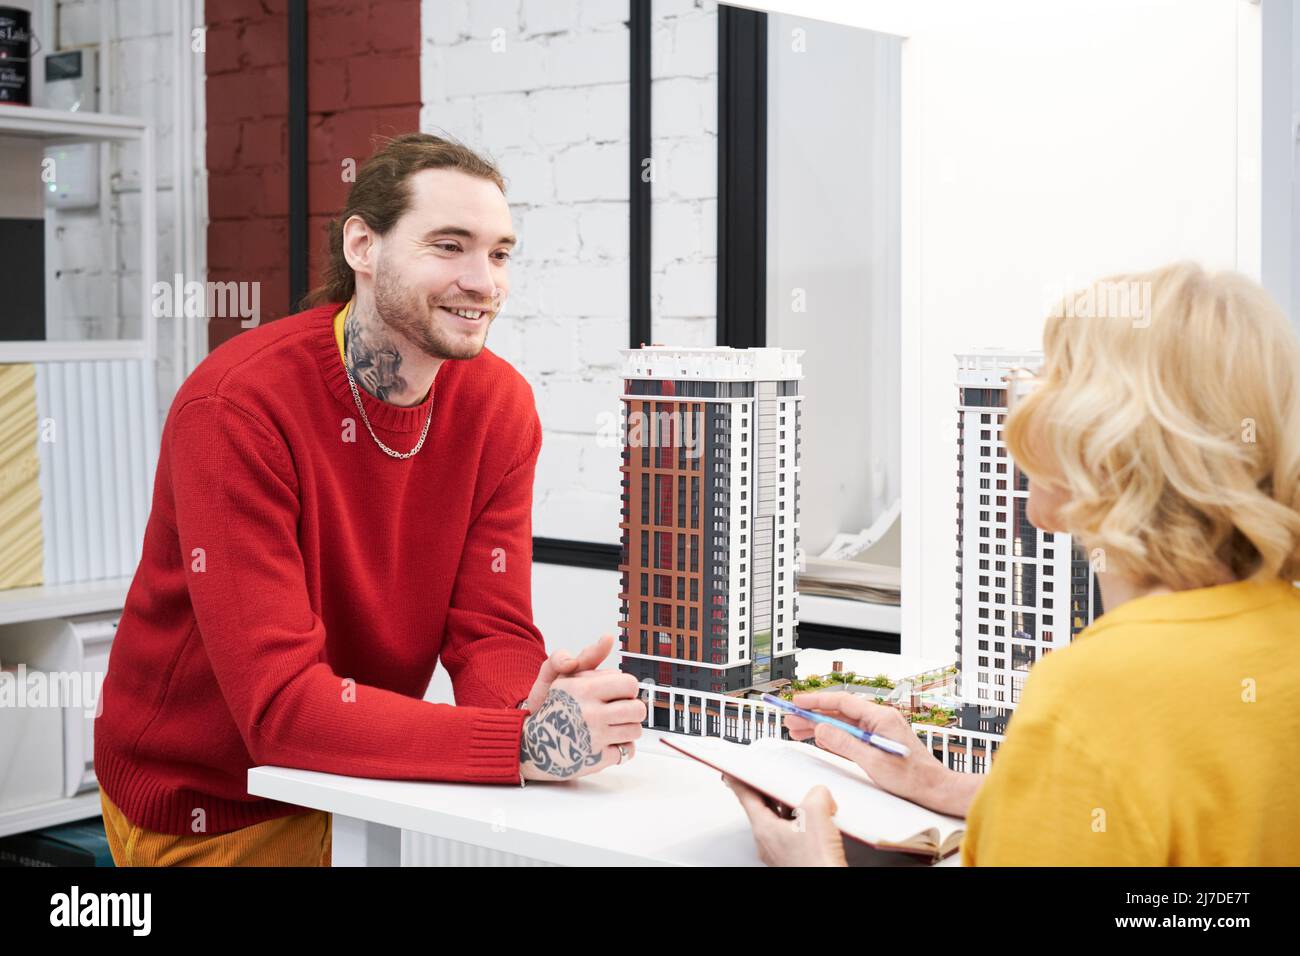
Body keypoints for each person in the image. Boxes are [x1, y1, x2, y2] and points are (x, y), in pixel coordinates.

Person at [95, 133, 645, 866]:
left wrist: (532, 707)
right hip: (213, 805)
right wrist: (517, 745)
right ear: (363, 245)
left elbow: (491, 632)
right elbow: (280, 712)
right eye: (449, 246)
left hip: (364, 784)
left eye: (500, 252)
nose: (484, 281)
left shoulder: (499, 406)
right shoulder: (237, 407)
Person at [727, 261, 1300, 866]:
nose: (1025, 405)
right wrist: (942, 786)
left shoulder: (1094, 697)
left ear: (1107, 446)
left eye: (1055, 383)